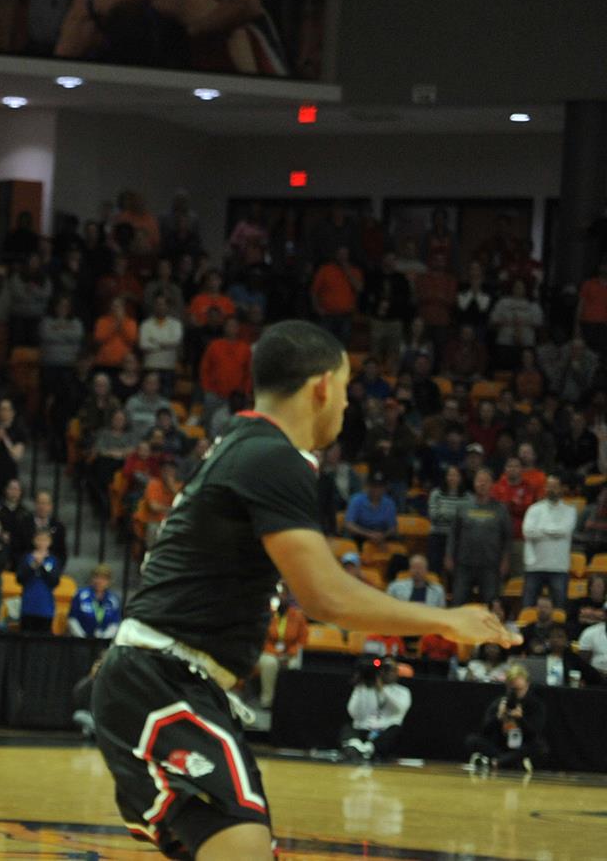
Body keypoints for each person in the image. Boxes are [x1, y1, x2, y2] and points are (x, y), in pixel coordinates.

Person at [91, 320, 513, 860]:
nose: (344, 404)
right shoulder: (272, 457)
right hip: (161, 678)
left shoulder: (244, 445)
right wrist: (444, 619)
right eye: (343, 388)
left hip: (168, 680)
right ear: (320, 386)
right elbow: (325, 598)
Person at [448, 468, 512, 608]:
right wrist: (449, 556)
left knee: (490, 605)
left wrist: (505, 561)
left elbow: (507, 538)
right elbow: (453, 534)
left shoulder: (501, 509)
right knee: (458, 603)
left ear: (492, 485)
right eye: (479, 481)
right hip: (464, 564)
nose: (482, 484)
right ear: (474, 483)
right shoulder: (463, 507)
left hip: (490, 566)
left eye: (485, 481)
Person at [465, 665, 545, 773]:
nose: (516, 693)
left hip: (521, 746)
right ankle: (510, 762)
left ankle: (497, 762)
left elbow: (534, 733)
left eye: (519, 690)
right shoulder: (499, 703)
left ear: (527, 685)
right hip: (500, 745)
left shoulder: (535, 704)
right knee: (472, 740)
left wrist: (520, 719)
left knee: (540, 746)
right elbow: (484, 730)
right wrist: (498, 717)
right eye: (512, 689)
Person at [339, 655, 412, 763]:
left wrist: (382, 688)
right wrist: (360, 686)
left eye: (391, 669)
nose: (388, 673)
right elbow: (353, 712)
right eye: (385, 669)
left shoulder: (402, 691)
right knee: (347, 727)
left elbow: (400, 708)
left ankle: (364, 749)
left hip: (383, 733)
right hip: (365, 730)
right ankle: (358, 748)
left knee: (395, 730)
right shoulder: (364, 688)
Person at [521, 474, 577, 608]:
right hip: (534, 567)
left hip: (559, 567)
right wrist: (552, 532)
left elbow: (564, 530)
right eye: (549, 486)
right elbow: (527, 532)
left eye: (555, 487)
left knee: (559, 608)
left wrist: (541, 530)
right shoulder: (534, 509)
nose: (551, 490)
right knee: (528, 607)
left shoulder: (570, 511)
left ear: (562, 489)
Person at [253, 583, 307, 710]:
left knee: (295, 664)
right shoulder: (266, 614)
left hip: (290, 652)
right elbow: (261, 638)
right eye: (277, 593)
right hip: (269, 652)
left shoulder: (297, 616)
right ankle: (267, 701)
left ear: (287, 595)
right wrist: (275, 653)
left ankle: (291, 702)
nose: (280, 596)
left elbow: (302, 639)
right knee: (269, 663)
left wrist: (291, 653)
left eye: (283, 593)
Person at [69, 563, 122, 639]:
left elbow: (115, 623)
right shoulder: (81, 595)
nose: (99, 581)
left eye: (103, 579)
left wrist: (104, 638)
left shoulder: (113, 600)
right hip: (81, 639)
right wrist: (82, 637)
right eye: (96, 577)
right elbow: (72, 619)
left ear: (109, 582)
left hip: (103, 641)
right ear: (91, 579)